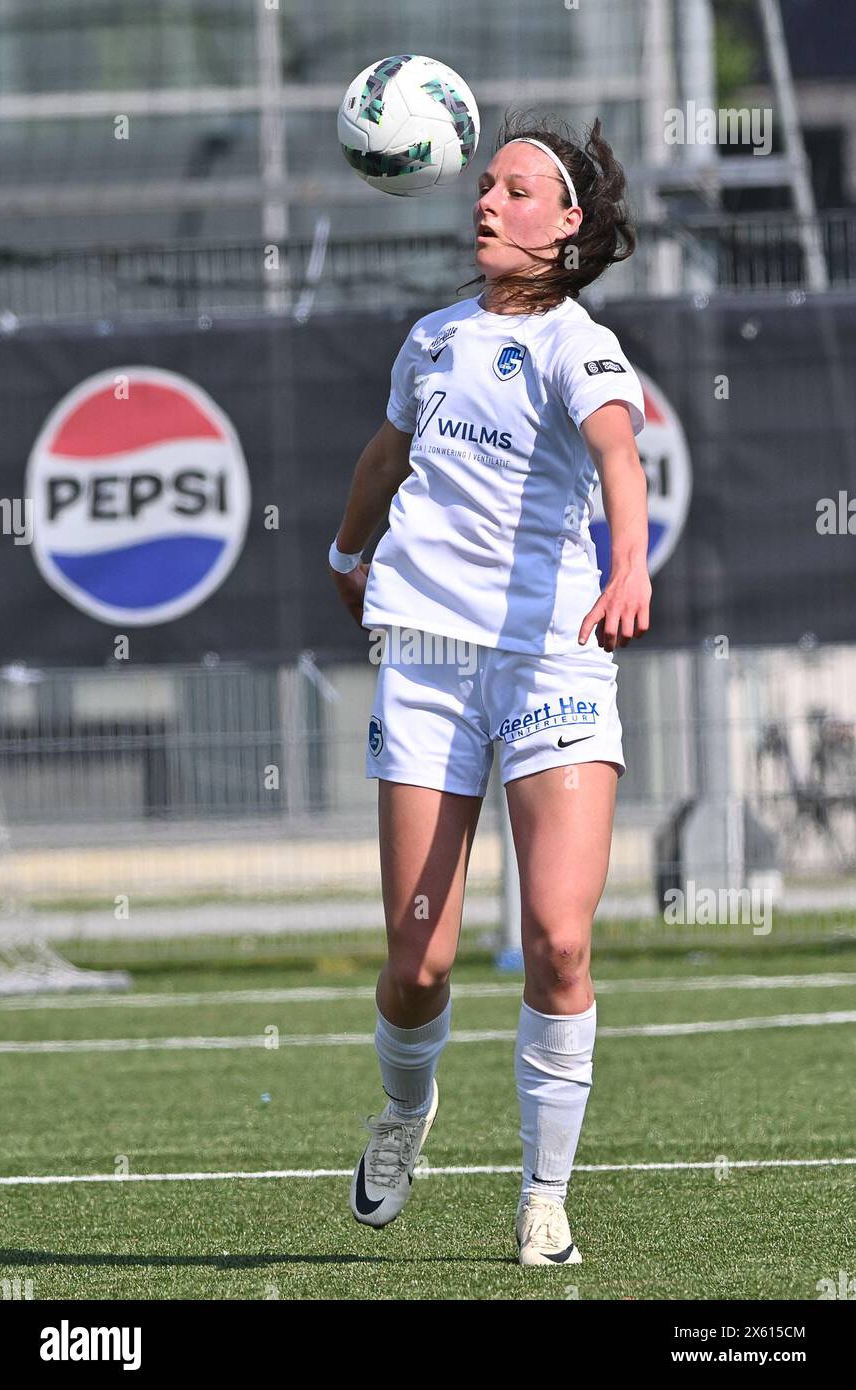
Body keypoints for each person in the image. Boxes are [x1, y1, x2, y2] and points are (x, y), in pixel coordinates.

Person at [328, 110, 651, 1267]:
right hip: (425, 663)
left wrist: (625, 564)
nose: (484, 202)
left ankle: (542, 1197)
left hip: (549, 664)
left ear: (566, 224)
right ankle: (406, 1114)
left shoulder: (577, 342)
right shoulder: (429, 338)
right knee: (417, 961)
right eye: (481, 187)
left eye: (514, 189)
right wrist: (344, 552)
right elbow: (386, 453)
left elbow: (619, 452)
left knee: (558, 943)